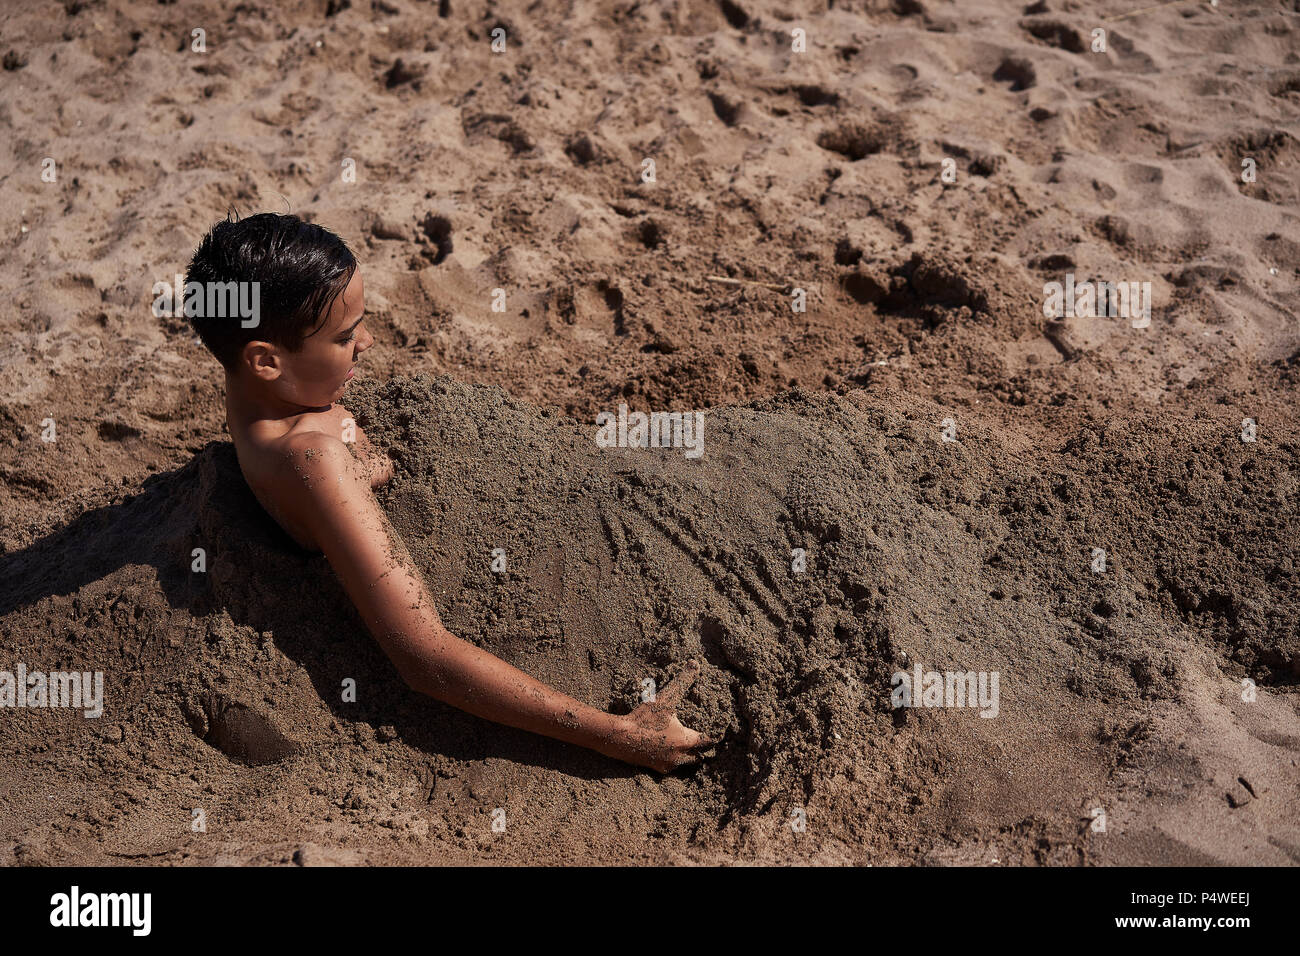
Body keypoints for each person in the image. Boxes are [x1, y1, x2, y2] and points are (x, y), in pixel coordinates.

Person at [183, 212, 715, 773]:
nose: (366, 342)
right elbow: (425, 655)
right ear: (265, 360)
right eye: (344, 337)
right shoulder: (314, 459)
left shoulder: (262, 402)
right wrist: (617, 734)